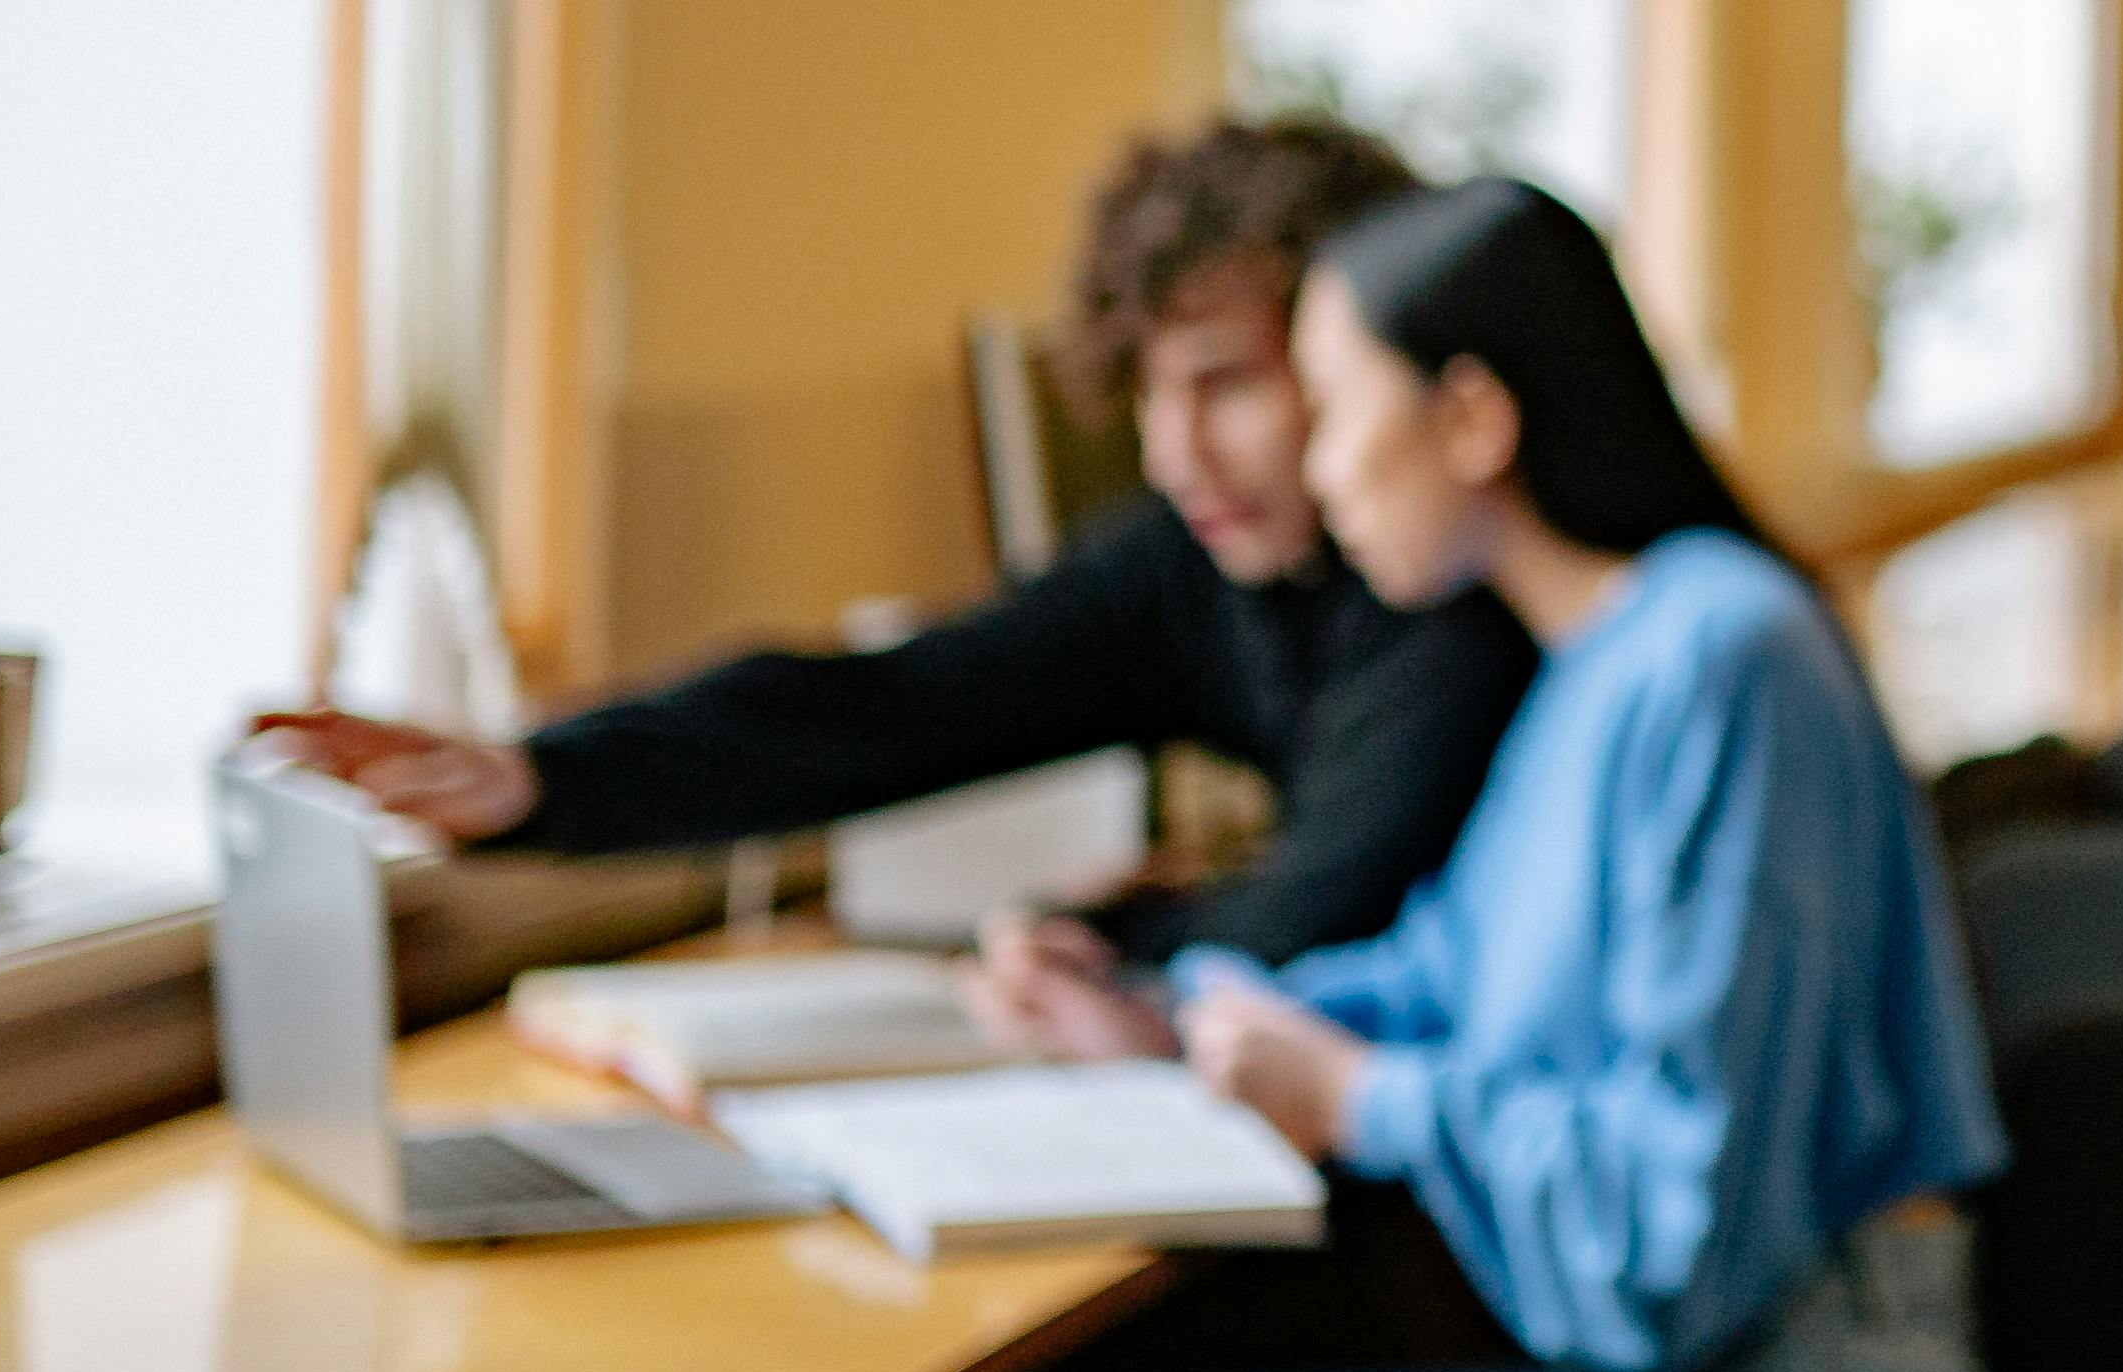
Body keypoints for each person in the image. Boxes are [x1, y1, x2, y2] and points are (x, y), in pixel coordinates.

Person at [892, 176, 2010, 1372]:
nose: (1318, 472)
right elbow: (1437, 973)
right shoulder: (1603, 668)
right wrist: (1161, 1014)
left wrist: (1369, 1103)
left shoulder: (1725, 669)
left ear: (1477, 419)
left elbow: (1673, 1231)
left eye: (1333, 410)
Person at [251, 115, 1530, 966]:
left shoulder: (1465, 603)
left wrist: (1118, 924)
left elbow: (1329, 913)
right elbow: (892, 702)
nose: (1171, 453)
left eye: (1227, 385)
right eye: (1147, 391)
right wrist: (542, 777)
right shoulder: (1195, 565)